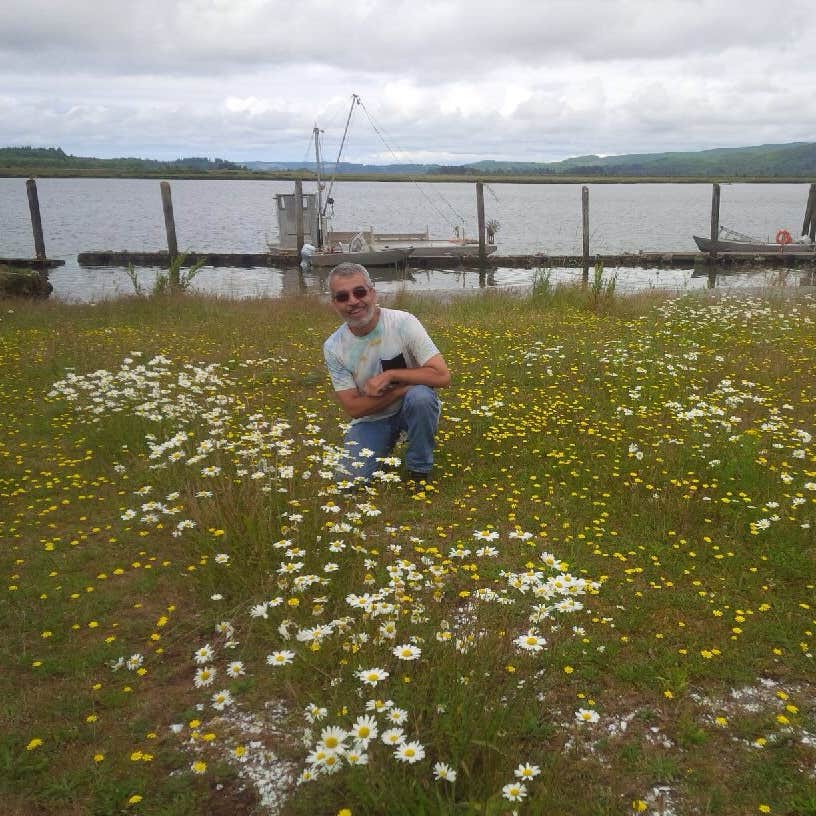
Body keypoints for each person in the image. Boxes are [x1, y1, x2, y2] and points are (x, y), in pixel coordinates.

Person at [322, 262, 450, 486]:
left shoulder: (403, 322)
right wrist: (402, 389)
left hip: (412, 406)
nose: (353, 301)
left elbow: (442, 376)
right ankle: (382, 443)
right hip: (372, 418)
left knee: (421, 398)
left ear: (372, 293)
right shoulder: (333, 347)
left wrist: (391, 376)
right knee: (349, 482)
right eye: (342, 297)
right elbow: (354, 408)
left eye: (359, 292)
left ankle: (419, 470)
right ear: (334, 304)